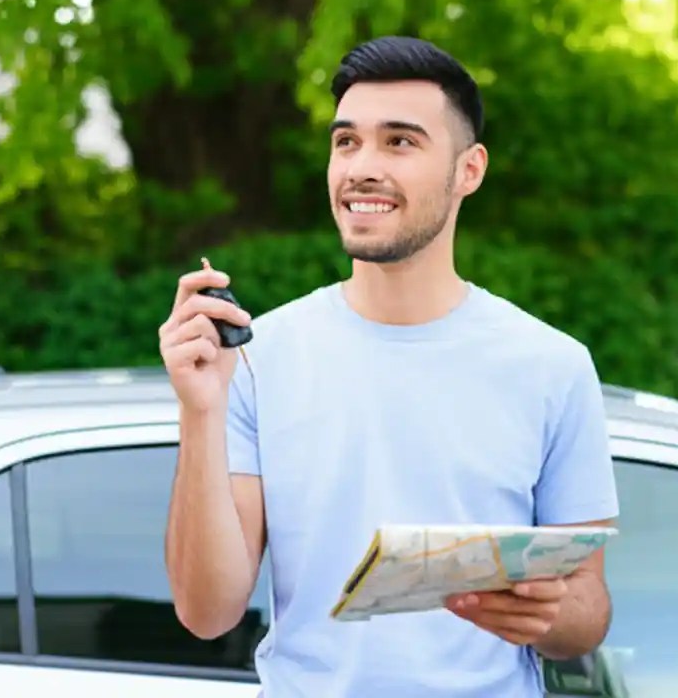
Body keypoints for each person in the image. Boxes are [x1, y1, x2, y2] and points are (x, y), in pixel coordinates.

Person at [159, 35, 619, 698]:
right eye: (347, 142)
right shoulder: (257, 358)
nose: (362, 167)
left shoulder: (552, 366)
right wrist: (198, 411)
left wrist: (548, 613)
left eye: (400, 142)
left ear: (470, 169)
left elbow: (588, 610)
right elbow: (207, 614)